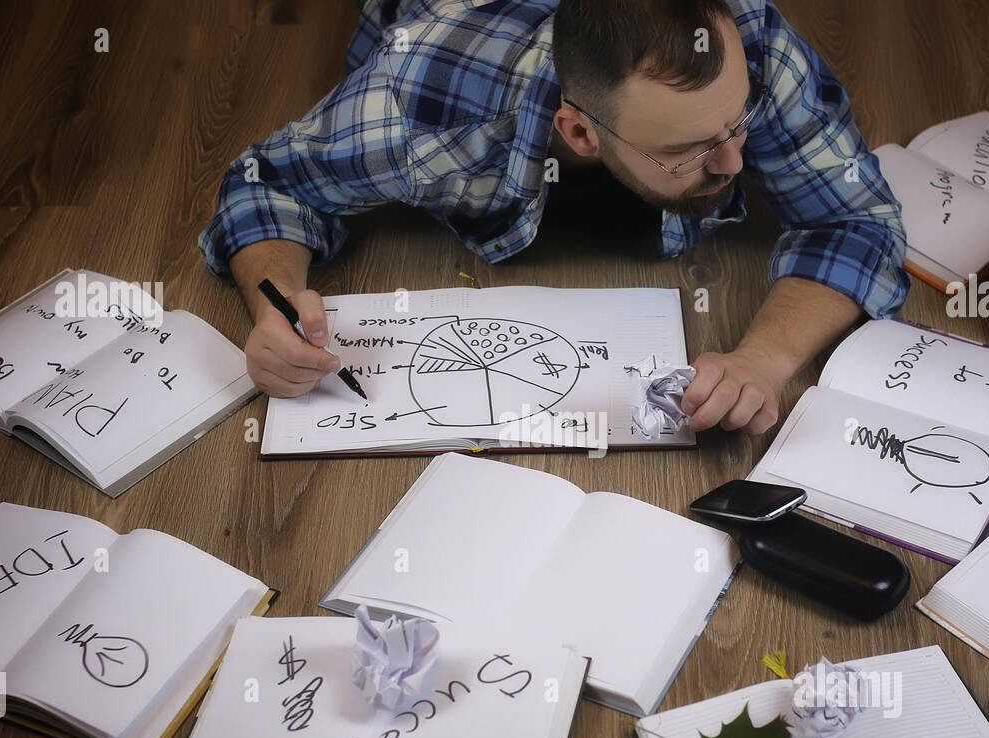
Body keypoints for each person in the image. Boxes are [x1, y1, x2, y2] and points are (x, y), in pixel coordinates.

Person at [199, 0, 908, 434]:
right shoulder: (415, 100)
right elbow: (268, 183)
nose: (731, 166)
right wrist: (277, 303)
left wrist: (765, 358)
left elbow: (859, 223)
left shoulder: (743, 35)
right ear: (578, 133)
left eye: (741, 121)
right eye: (688, 152)